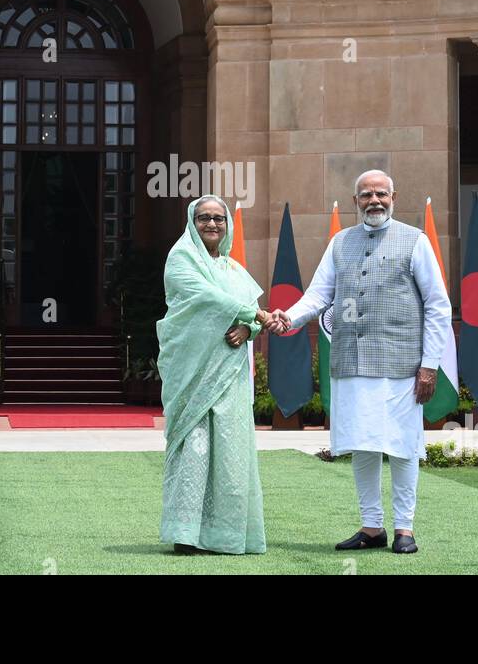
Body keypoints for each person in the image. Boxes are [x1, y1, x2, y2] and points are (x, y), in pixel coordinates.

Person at [268, 170, 451, 554]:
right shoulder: (339, 243)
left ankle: (405, 528)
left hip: (403, 365)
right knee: (362, 444)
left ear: (394, 197)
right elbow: (318, 295)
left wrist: (430, 364)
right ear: (355, 201)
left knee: (402, 446)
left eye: (381, 194)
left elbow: (438, 305)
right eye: (366, 195)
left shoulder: (414, 241)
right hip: (352, 363)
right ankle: (372, 528)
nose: (374, 201)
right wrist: (289, 317)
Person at [157, 195, 273, 555]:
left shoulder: (233, 269)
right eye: (204, 217)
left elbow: (253, 313)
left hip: (229, 373)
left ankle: (225, 534)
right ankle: (186, 534)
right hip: (193, 373)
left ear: (228, 226)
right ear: (193, 221)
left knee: (229, 451)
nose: (212, 224)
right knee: (194, 448)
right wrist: (251, 317)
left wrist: (249, 329)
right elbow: (203, 298)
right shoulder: (181, 259)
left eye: (219, 219)